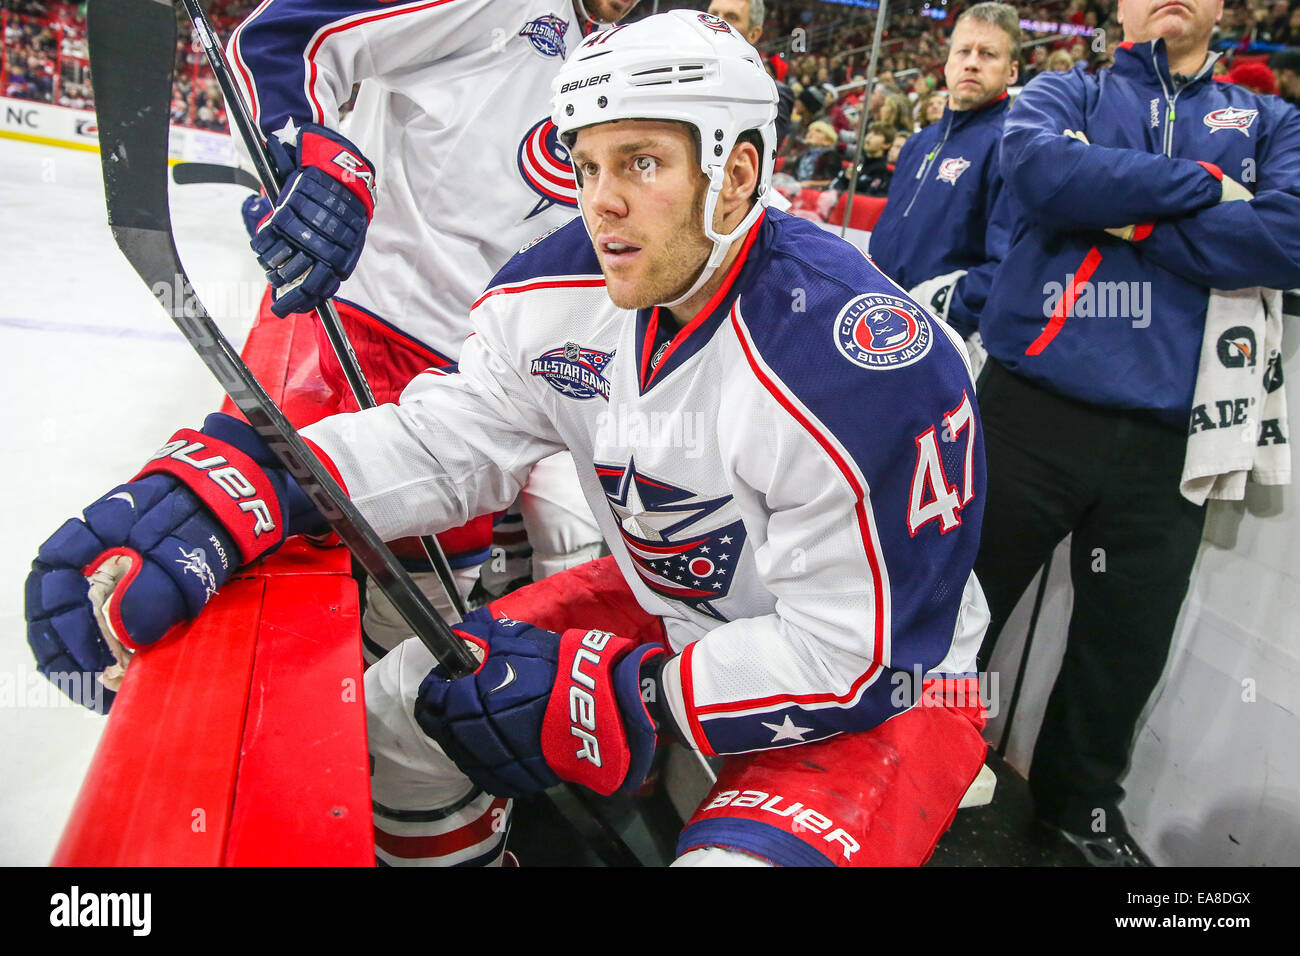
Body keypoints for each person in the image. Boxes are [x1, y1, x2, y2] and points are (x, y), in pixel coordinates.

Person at [27, 10, 990, 868]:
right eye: (587, 164)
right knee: (399, 714)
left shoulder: (862, 362)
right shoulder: (551, 288)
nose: (600, 202)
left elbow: (860, 660)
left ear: (736, 173)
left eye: (641, 163)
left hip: (880, 691)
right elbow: (454, 440)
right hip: (677, 604)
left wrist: (637, 694)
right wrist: (263, 480)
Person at [974, 0, 1300, 866]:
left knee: (1125, 642)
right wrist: (1207, 190)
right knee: (959, 609)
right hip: (1029, 412)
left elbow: (1288, 236)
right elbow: (1043, 178)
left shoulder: (1272, 118)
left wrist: (1120, 205)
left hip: (1170, 437)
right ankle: (916, 760)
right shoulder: (1060, 92)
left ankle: (1077, 810)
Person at [227, 1, 637, 653]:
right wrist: (299, 160)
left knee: (418, 630)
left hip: (480, 385)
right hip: (367, 330)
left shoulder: (618, 56)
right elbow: (280, 37)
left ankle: (363, 748)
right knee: (267, 593)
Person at [869, 3, 1022, 340]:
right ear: (948, 62)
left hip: (941, 336)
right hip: (880, 319)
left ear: (1012, 72)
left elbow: (1009, 268)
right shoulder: (916, 144)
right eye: (963, 51)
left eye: (988, 54)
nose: (971, 62)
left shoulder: (1011, 149)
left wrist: (944, 307)